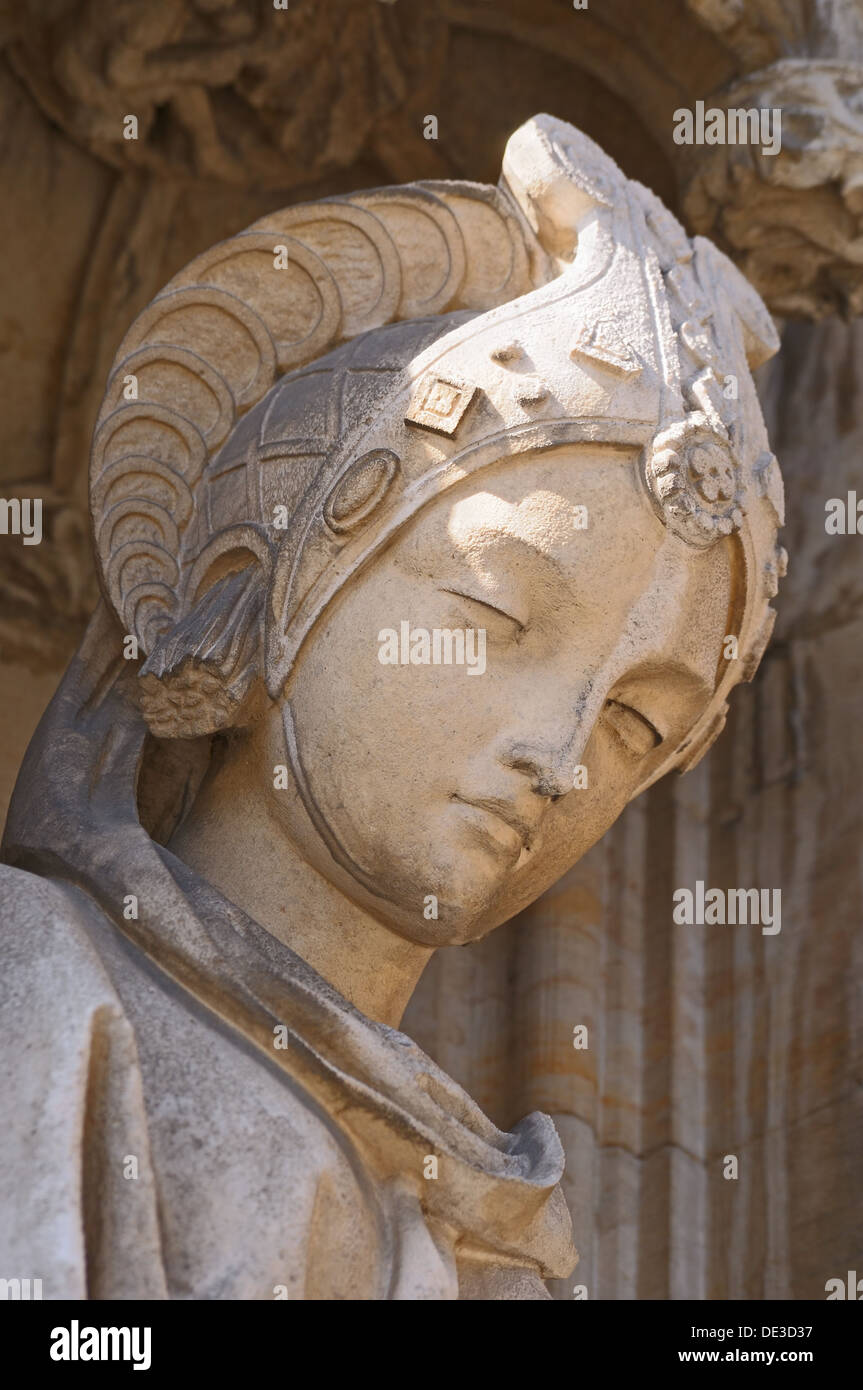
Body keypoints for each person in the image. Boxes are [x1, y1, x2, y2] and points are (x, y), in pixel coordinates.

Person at [0, 115, 785, 1299]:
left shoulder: (503, 1244)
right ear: (255, 582)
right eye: (496, 615)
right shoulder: (39, 994)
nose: (562, 754)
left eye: (636, 725)